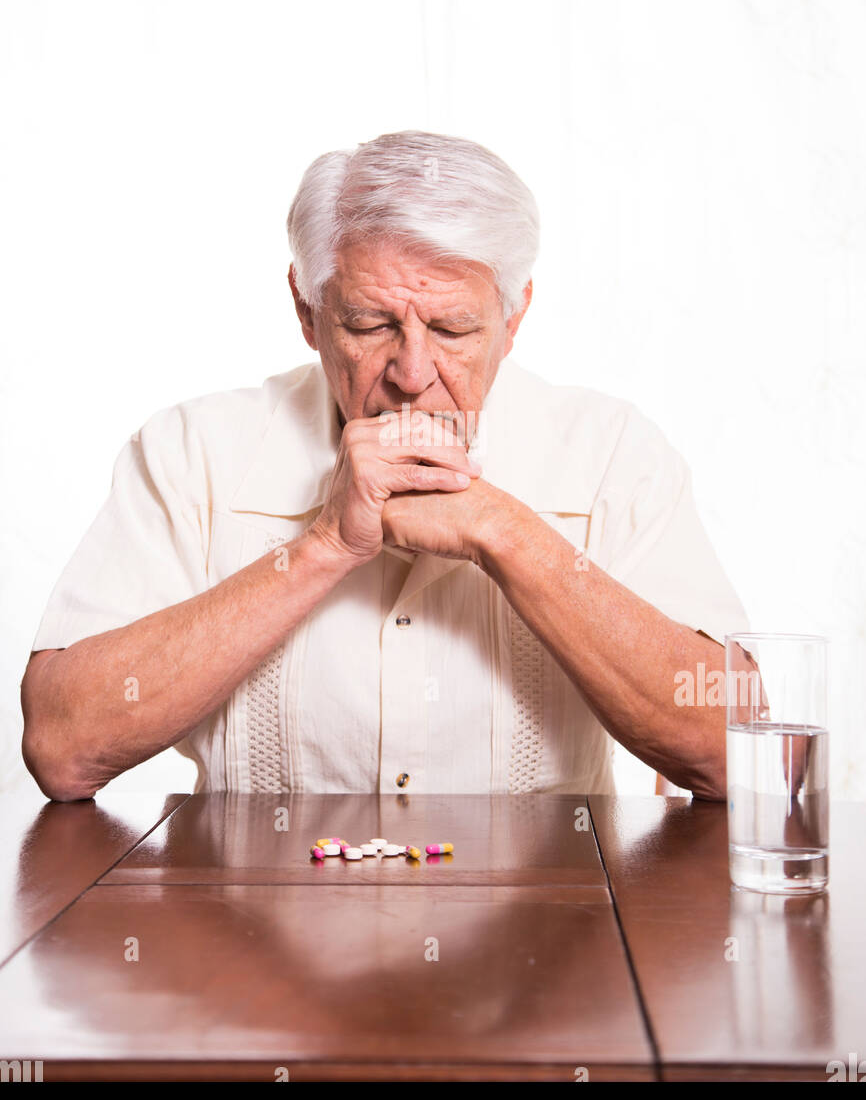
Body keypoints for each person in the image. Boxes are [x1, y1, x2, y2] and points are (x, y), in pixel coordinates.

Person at [21, 130, 747, 802]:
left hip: (546, 934)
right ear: (307, 311)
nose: (412, 371)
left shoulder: (613, 451)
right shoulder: (190, 451)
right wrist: (323, 548)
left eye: (454, 328)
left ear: (514, 320)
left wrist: (503, 531)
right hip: (246, 932)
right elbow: (61, 744)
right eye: (370, 324)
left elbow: (728, 747)